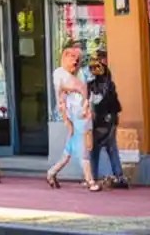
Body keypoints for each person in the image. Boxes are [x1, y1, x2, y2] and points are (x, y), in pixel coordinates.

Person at [47, 42, 95, 189]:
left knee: (69, 151)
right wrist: (66, 119)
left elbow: (85, 91)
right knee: (83, 149)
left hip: (82, 115)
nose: (76, 61)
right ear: (65, 57)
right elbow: (61, 96)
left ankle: (51, 172)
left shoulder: (81, 73)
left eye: (78, 58)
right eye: (72, 57)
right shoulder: (60, 74)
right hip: (76, 117)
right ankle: (89, 180)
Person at [88, 49, 126, 189]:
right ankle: (117, 175)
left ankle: (96, 176)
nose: (95, 69)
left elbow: (109, 103)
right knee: (106, 148)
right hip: (102, 119)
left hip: (104, 119)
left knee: (102, 148)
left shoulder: (105, 84)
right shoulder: (96, 84)